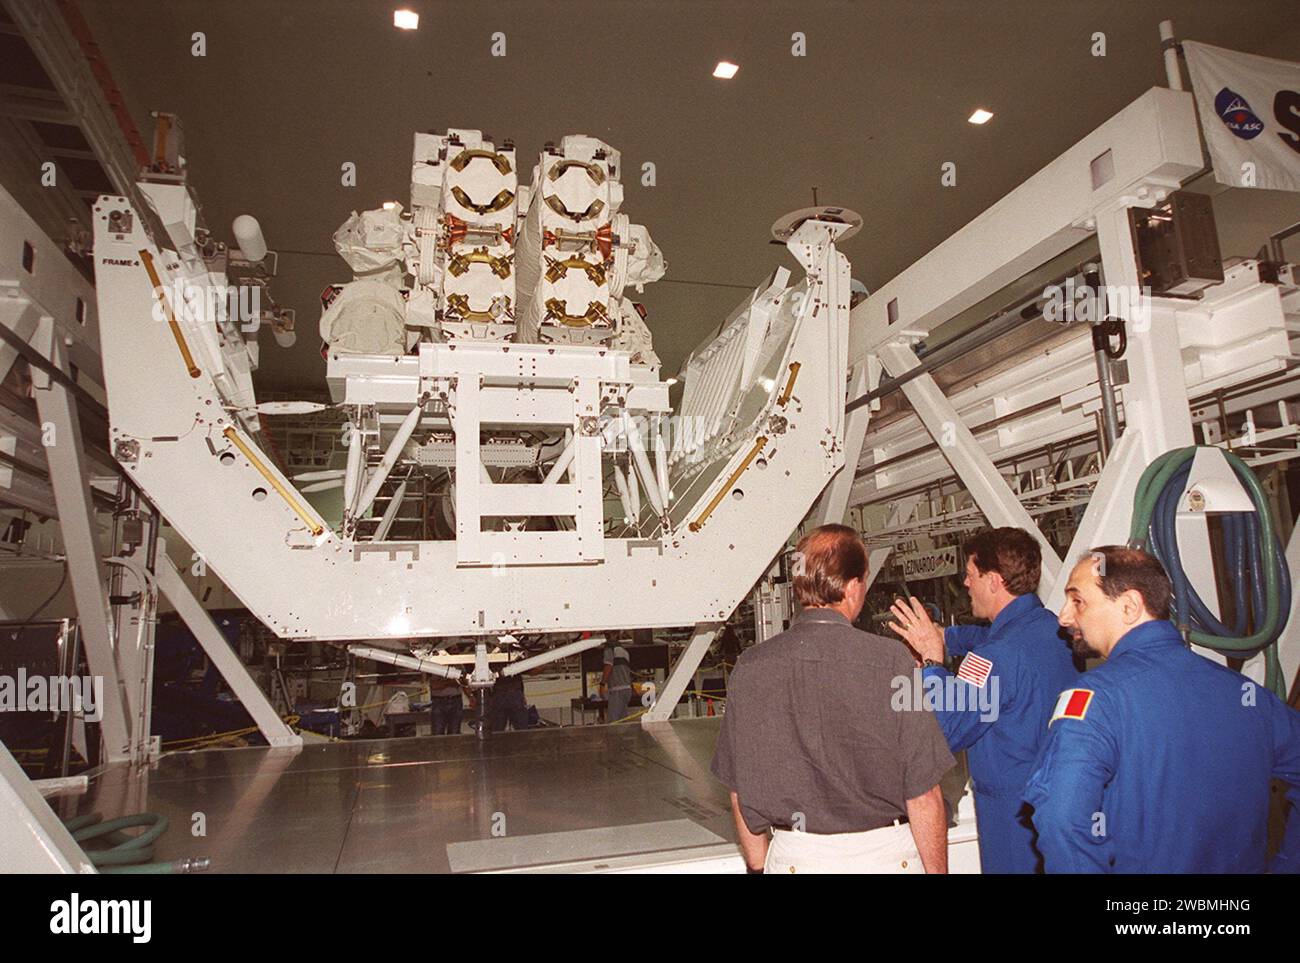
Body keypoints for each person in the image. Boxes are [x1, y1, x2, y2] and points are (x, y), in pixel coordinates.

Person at [1023, 545, 1300, 873]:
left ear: (1129, 607)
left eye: (1077, 600)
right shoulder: (1246, 694)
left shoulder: (1094, 699)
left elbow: (1062, 819)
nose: (1064, 617)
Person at [711, 524, 955, 873]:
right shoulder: (890, 661)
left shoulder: (751, 665)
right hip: (883, 856)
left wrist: (757, 864)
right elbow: (923, 793)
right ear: (854, 587)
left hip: (795, 855)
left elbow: (738, 787)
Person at [888, 528, 1078, 873]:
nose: (964, 583)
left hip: (1011, 818)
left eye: (970, 574)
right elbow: (993, 637)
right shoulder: (1056, 631)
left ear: (993, 580)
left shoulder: (992, 659)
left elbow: (948, 730)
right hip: (1062, 802)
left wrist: (932, 662)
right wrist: (947, 637)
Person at [601, 637, 633, 722]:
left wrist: (602, 684)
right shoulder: (625, 652)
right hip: (627, 689)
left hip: (617, 690)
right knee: (623, 722)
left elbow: (608, 666)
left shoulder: (609, 649)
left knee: (613, 722)